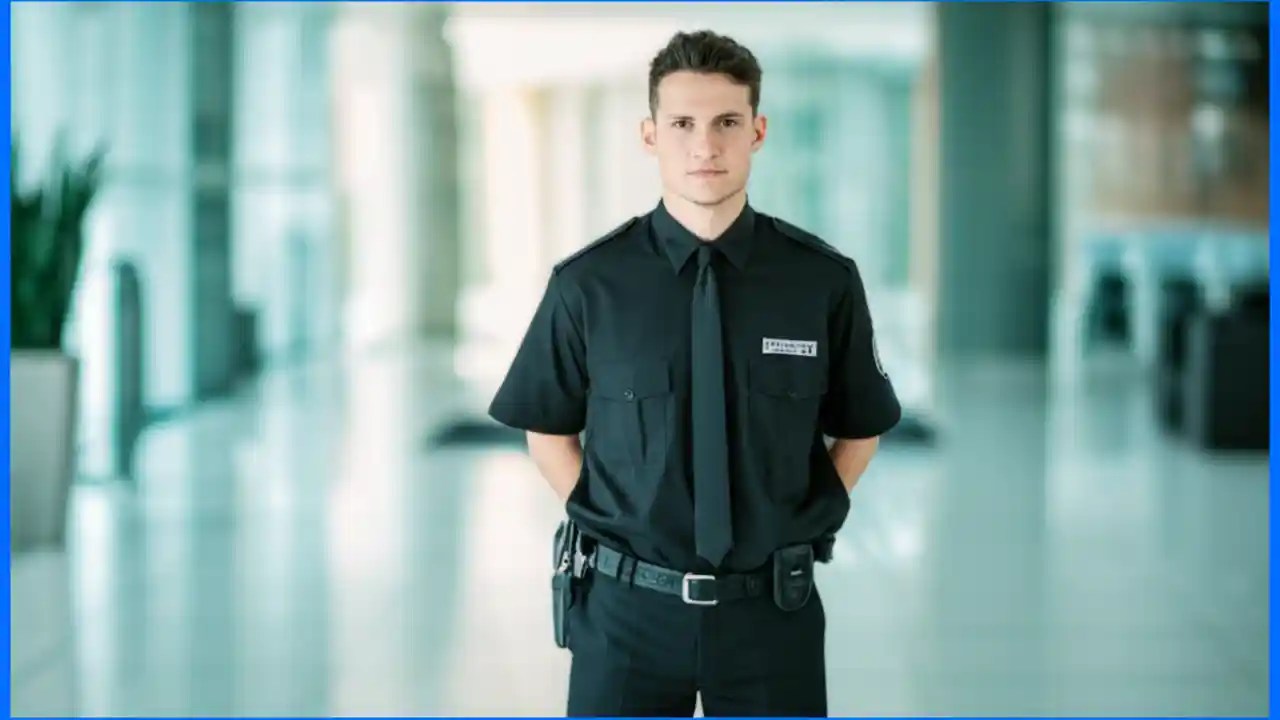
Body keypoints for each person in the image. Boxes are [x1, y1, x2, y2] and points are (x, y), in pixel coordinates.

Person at [488, 29, 901, 718]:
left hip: (773, 614)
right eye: (682, 123)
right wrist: (623, 528)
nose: (704, 145)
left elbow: (860, 429)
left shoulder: (820, 281)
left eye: (726, 123)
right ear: (649, 134)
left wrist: (795, 519)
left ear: (758, 131)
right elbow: (548, 431)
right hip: (625, 618)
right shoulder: (588, 285)